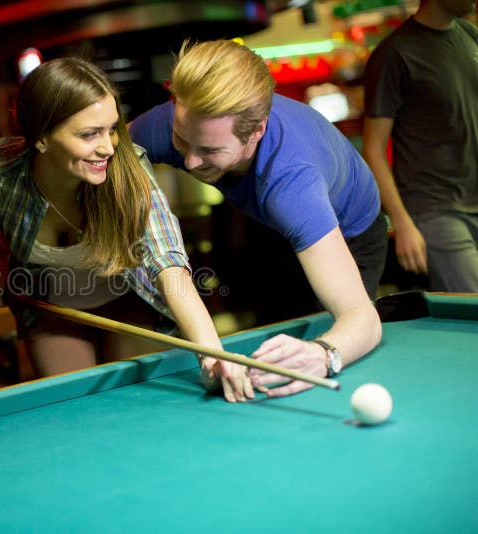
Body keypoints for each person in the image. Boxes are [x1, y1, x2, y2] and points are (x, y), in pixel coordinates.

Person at [0, 57, 253, 402]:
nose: (108, 147)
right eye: (89, 134)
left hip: (128, 299)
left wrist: (212, 354)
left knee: (136, 403)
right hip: (52, 306)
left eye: (111, 128)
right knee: (73, 405)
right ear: (40, 137)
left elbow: (168, 263)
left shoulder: (129, 170)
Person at [129, 39, 384, 398]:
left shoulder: (293, 184)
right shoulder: (175, 121)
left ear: (256, 132)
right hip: (263, 225)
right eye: (182, 141)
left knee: (306, 359)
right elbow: (105, 153)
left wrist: (323, 354)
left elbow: (363, 321)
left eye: (209, 150)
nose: (189, 162)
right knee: (261, 344)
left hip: (346, 232)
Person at [362, 0, 478, 293]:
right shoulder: (393, 55)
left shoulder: (469, 34)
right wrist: (402, 224)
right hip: (435, 210)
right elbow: (374, 149)